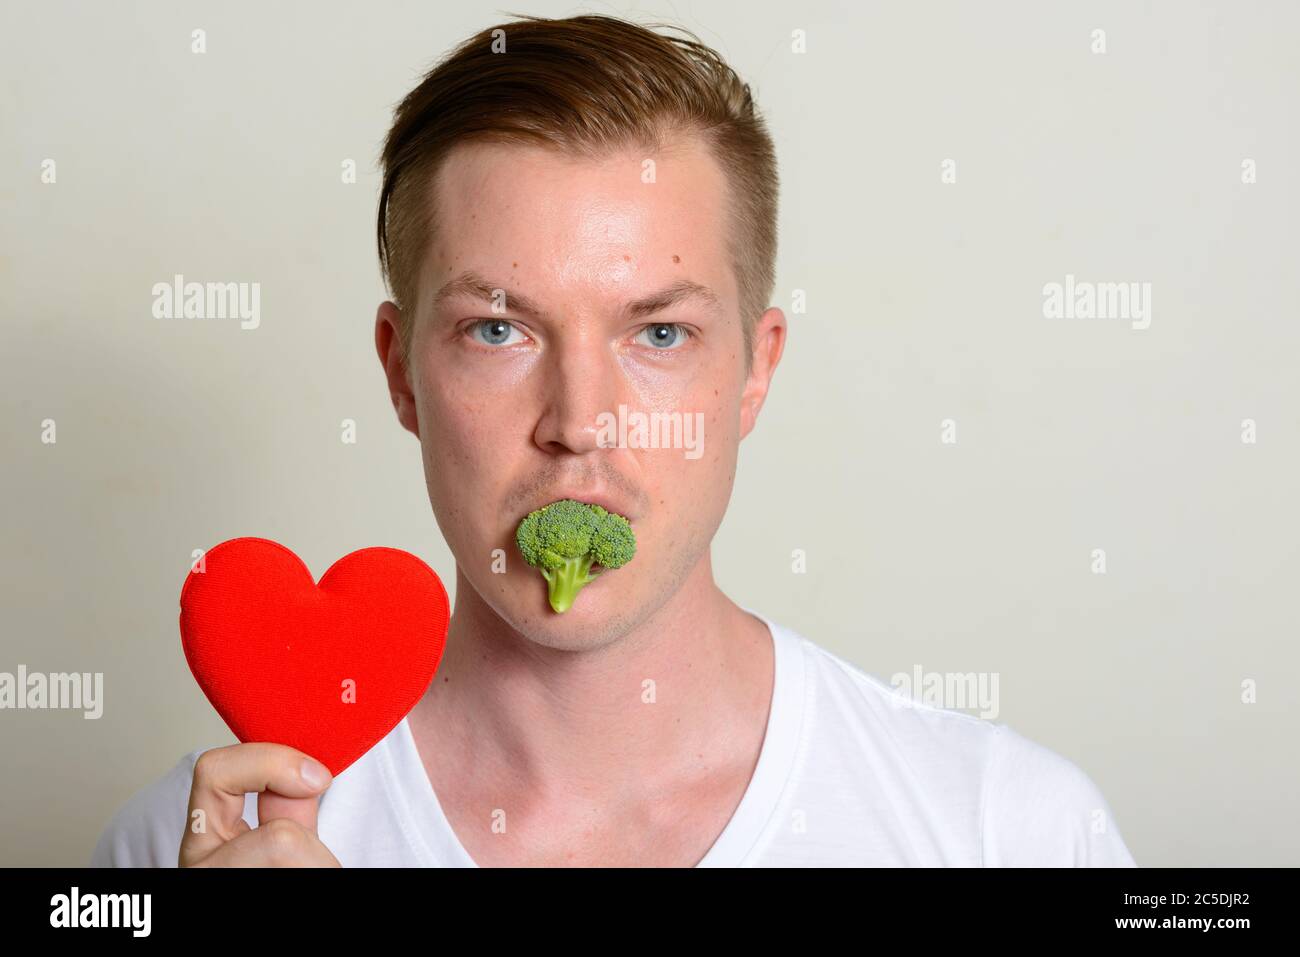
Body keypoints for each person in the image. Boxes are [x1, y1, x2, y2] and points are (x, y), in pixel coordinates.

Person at [92, 13, 1135, 868]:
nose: (579, 424)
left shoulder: (1011, 832)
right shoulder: (192, 844)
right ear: (401, 369)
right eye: (497, 330)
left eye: (659, 333)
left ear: (755, 370)